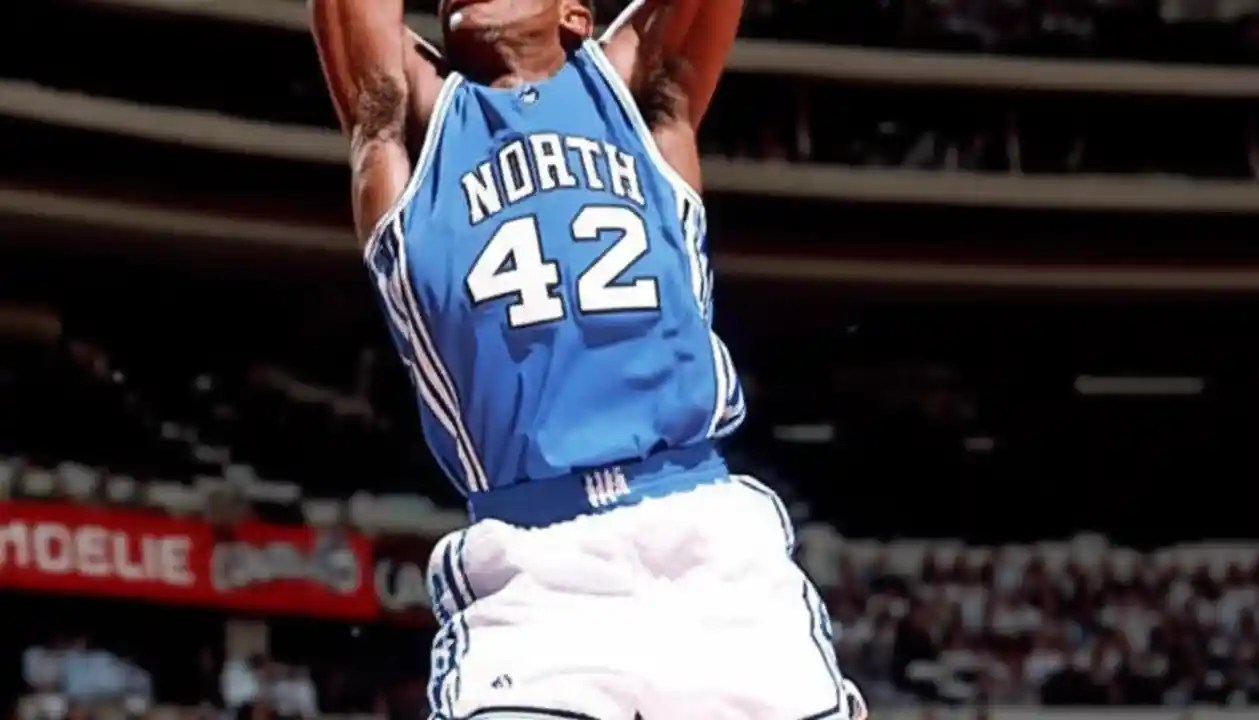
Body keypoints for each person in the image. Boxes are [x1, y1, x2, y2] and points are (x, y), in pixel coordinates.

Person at [309, 0, 867, 717]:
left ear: (575, 14)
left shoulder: (638, 97)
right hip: (534, 569)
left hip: (707, 540)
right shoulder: (414, 123)